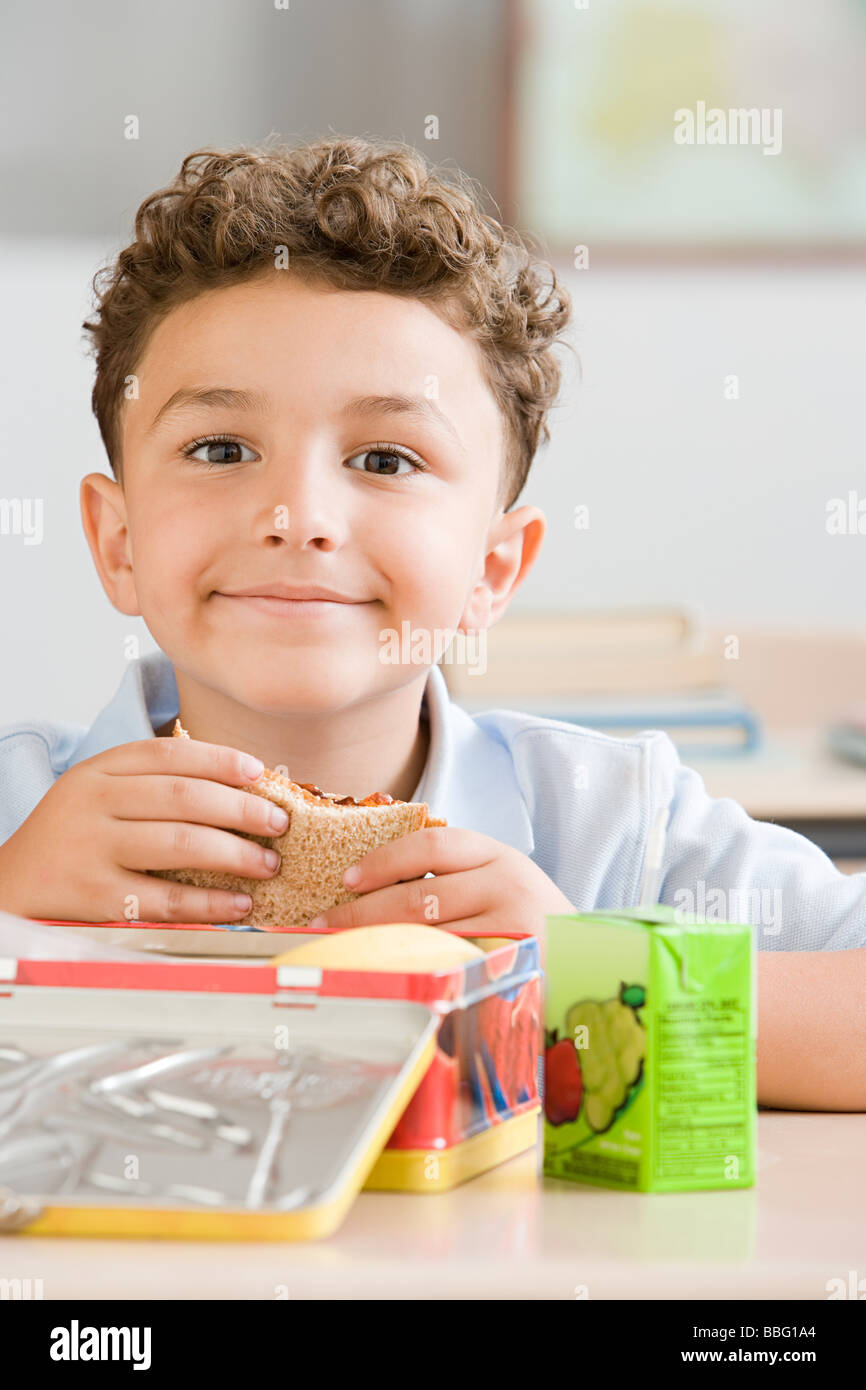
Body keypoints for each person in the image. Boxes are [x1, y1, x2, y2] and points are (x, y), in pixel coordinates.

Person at [0, 136, 863, 1109]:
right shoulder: (21, 807)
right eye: (221, 445)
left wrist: (590, 977)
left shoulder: (605, 825)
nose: (299, 517)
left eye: (384, 460)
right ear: (117, 541)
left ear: (492, 569)